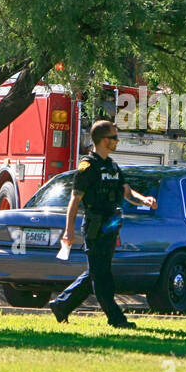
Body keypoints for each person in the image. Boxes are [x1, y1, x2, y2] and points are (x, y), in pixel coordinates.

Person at [49, 120, 158, 328]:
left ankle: (62, 305)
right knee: (102, 277)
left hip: (111, 226)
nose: (117, 141)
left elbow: (126, 192)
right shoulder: (87, 167)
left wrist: (144, 199)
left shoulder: (113, 166)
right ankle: (116, 319)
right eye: (114, 137)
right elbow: (75, 200)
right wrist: (69, 231)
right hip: (95, 227)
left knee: (96, 272)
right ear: (102, 140)